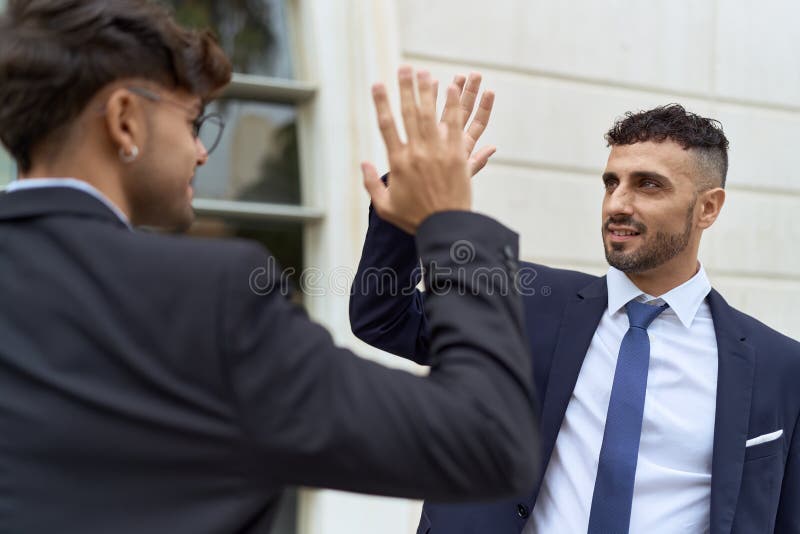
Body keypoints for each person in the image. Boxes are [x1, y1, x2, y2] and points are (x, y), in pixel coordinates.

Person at [0, 1, 541, 532]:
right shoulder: (210, 297)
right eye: (195, 122)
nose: (202, 152)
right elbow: (487, 442)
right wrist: (448, 221)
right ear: (124, 121)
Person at [350, 99, 800, 533]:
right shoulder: (524, 302)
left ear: (708, 207)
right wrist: (403, 218)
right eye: (611, 182)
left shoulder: (779, 367)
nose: (617, 203)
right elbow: (385, 319)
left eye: (648, 184)